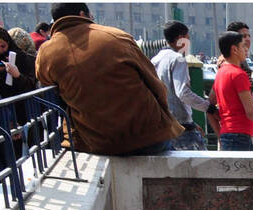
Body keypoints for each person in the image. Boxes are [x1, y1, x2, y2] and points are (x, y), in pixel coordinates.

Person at [35, 3, 181, 155]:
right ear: (82, 15)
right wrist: (165, 119)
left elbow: (46, 88)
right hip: (148, 138)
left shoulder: (45, 52)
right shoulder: (115, 36)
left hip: (96, 145)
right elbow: (155, 84)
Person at [151, 21, 210, 151]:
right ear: (179, 38)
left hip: (165, 128)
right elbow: (183, 93)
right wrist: (208, 107)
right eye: (187, 38)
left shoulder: (155, 60)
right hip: (183, 129)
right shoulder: (178, 59)